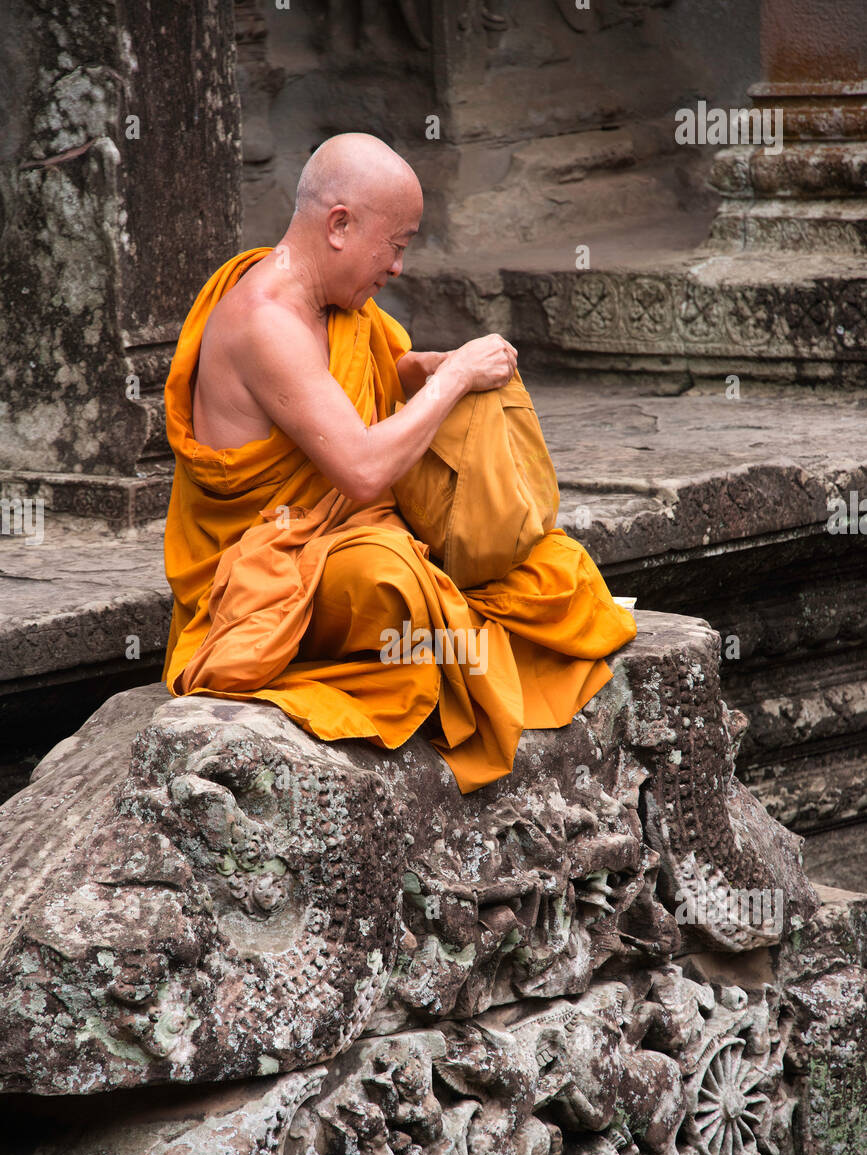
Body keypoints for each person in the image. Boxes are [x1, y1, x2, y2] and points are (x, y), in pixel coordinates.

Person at [161, 132, 637, 793]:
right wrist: (453, 380)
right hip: (270, 566)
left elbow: (349, 389)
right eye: (397, 243)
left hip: (353, 528)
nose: (398, 267)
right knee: (395, 583)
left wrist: (421, 371)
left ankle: (457, 611)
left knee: (549, 564)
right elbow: (358, 468)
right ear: (340, 225)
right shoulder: (265, 320)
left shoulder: (329, 303)